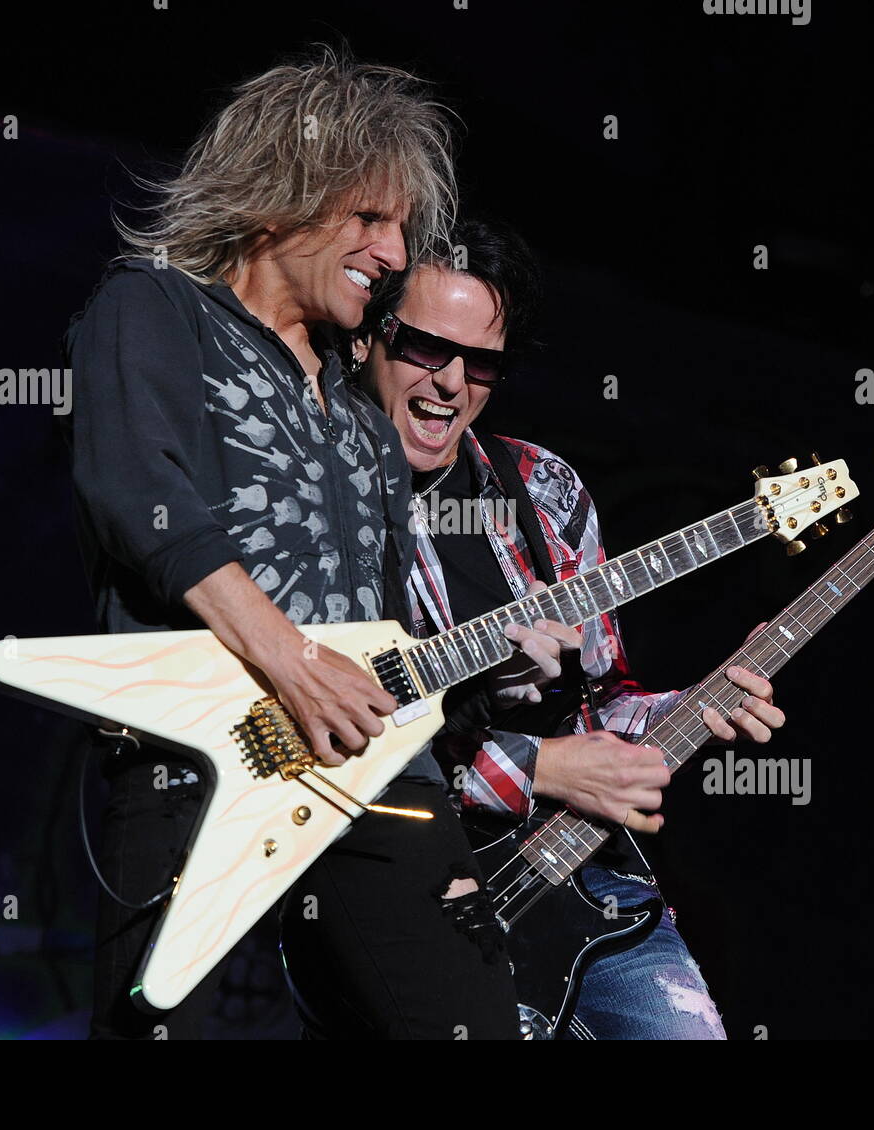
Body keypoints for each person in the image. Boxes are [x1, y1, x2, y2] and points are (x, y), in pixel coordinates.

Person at [63, 51, 541, 1040]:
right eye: (371, 217)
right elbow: (138, 492)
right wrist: (289, 656)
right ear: (280, 190)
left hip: (373, 777)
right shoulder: (155, 309)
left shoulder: (363, 416)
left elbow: (378, 621)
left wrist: (456, 763)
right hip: (200, 754)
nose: (391, 248)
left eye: (403, 227)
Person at [347, 216, 786, 1039]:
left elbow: (608, 699)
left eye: (482, 362)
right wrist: (542, 767)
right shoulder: (323, 502)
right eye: (424, 348)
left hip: (589, 875)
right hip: (422, 880)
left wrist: (694, 703)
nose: (450, 383)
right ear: (374, 336)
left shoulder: (543, 487)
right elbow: (338, 745)